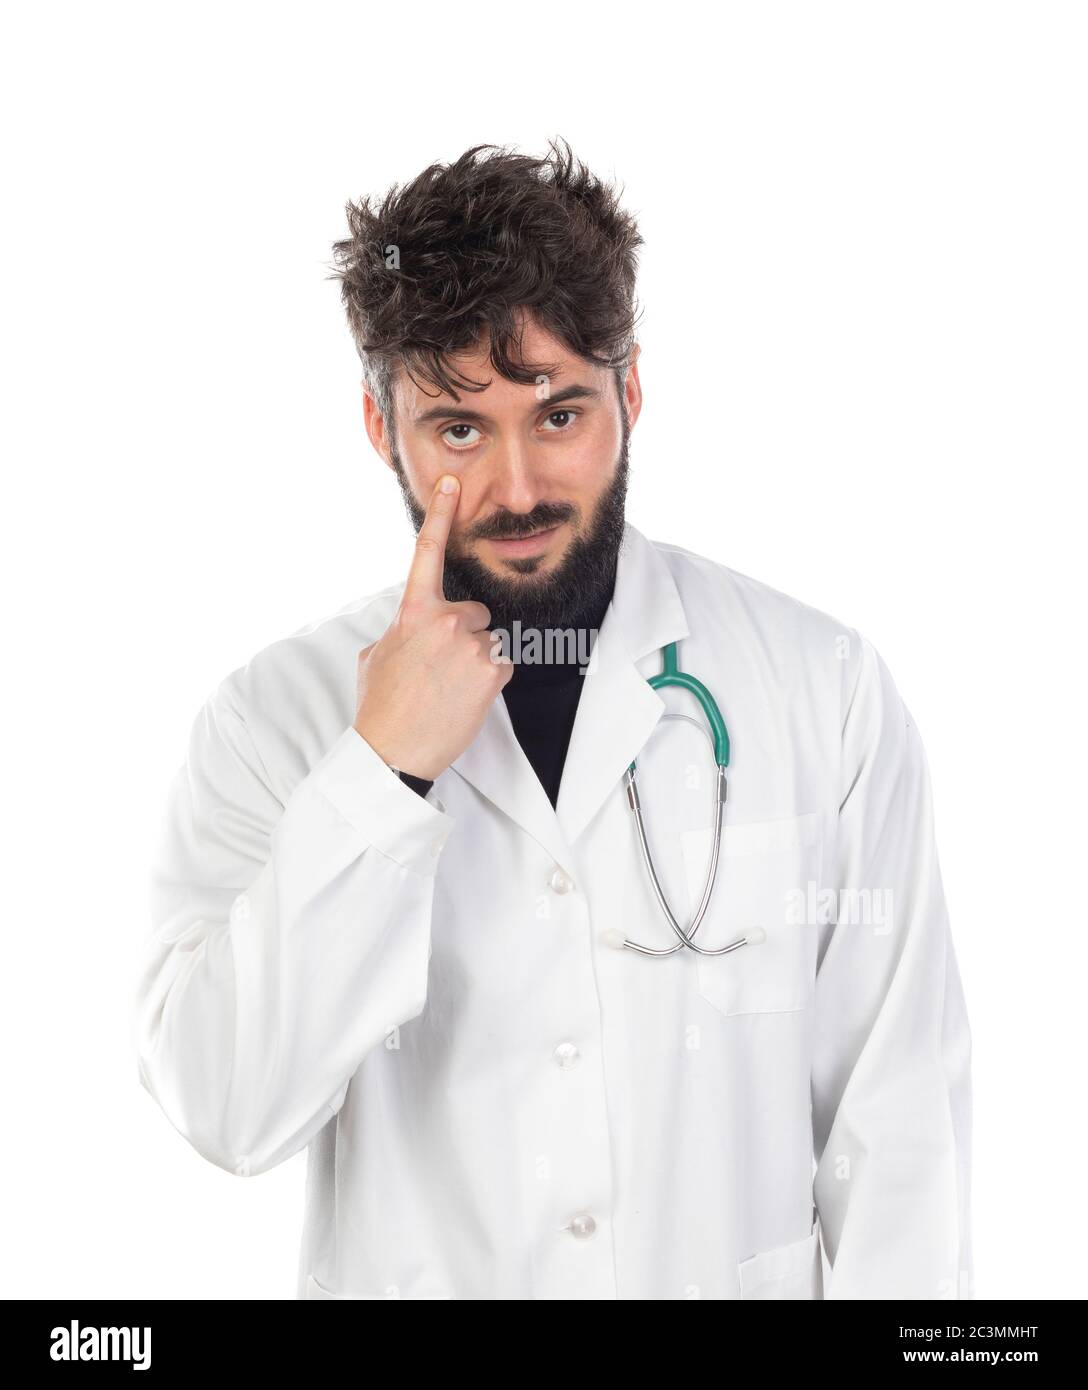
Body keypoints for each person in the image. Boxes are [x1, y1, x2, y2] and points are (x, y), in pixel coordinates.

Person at [133, 138, 972, 1300]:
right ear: (384, 430)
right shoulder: (273, 723)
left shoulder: (818, 689)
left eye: (560, 413)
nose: (519, 488)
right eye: (459, 431)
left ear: (629, 392)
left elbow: (898, 1132)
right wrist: (377, 774)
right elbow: (225, 1105)